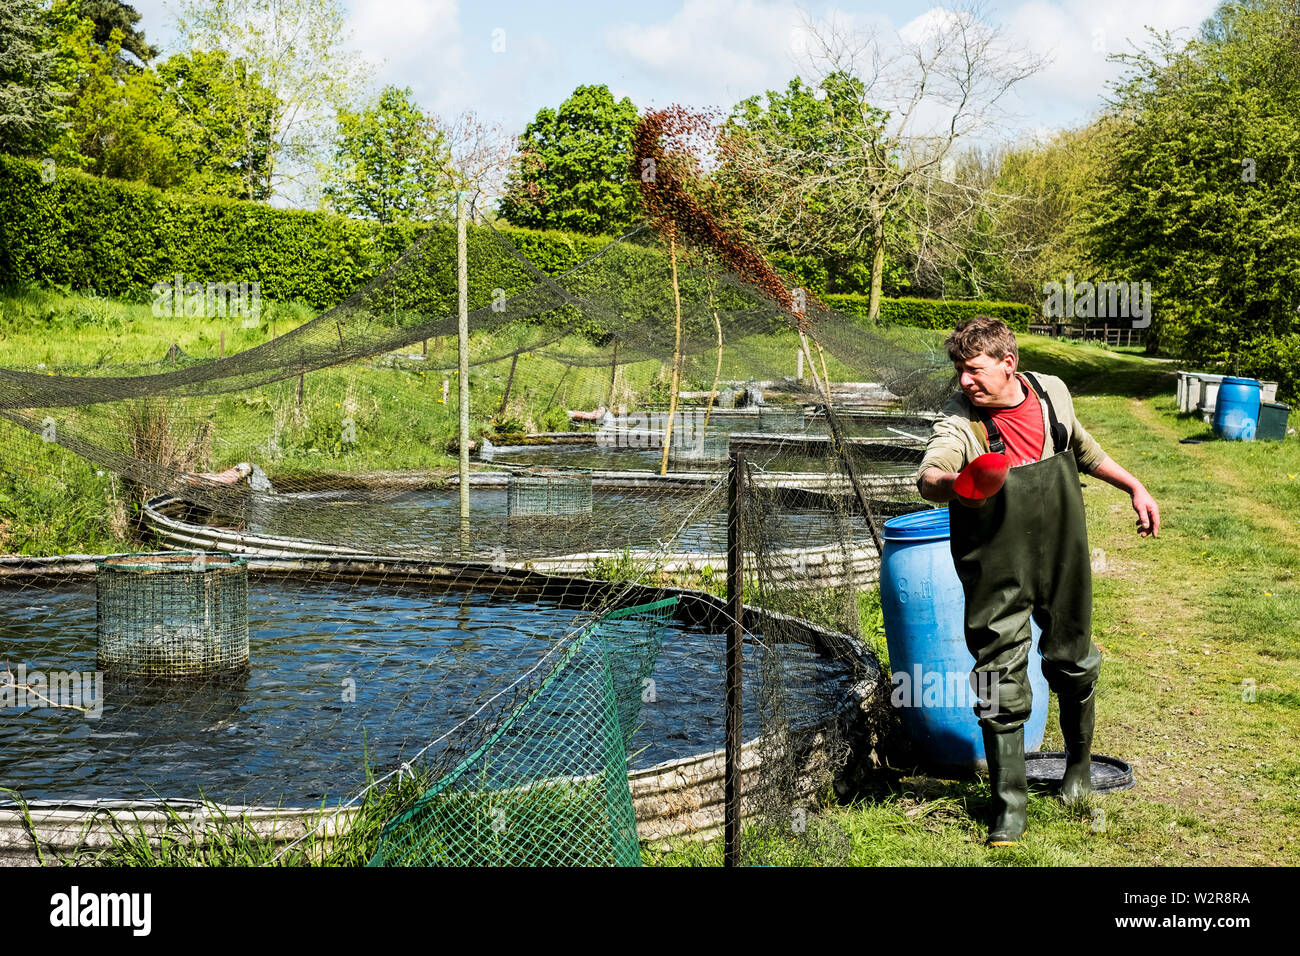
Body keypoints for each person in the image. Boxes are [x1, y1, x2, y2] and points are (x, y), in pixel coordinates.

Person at [916, 317, 1159, 846]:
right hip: (995, 571)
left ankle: (1077, 767)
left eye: (974, 370)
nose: (963, 382)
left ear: (1009, 364)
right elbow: (929, 474)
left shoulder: (1051, 393)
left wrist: (1135, 486)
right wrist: (955, 482)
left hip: (1062, 556)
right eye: (958, 370)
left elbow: (1084, 449)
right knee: (994, 675)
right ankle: (1009, 805)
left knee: (1073, 660)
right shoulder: (962, 423)